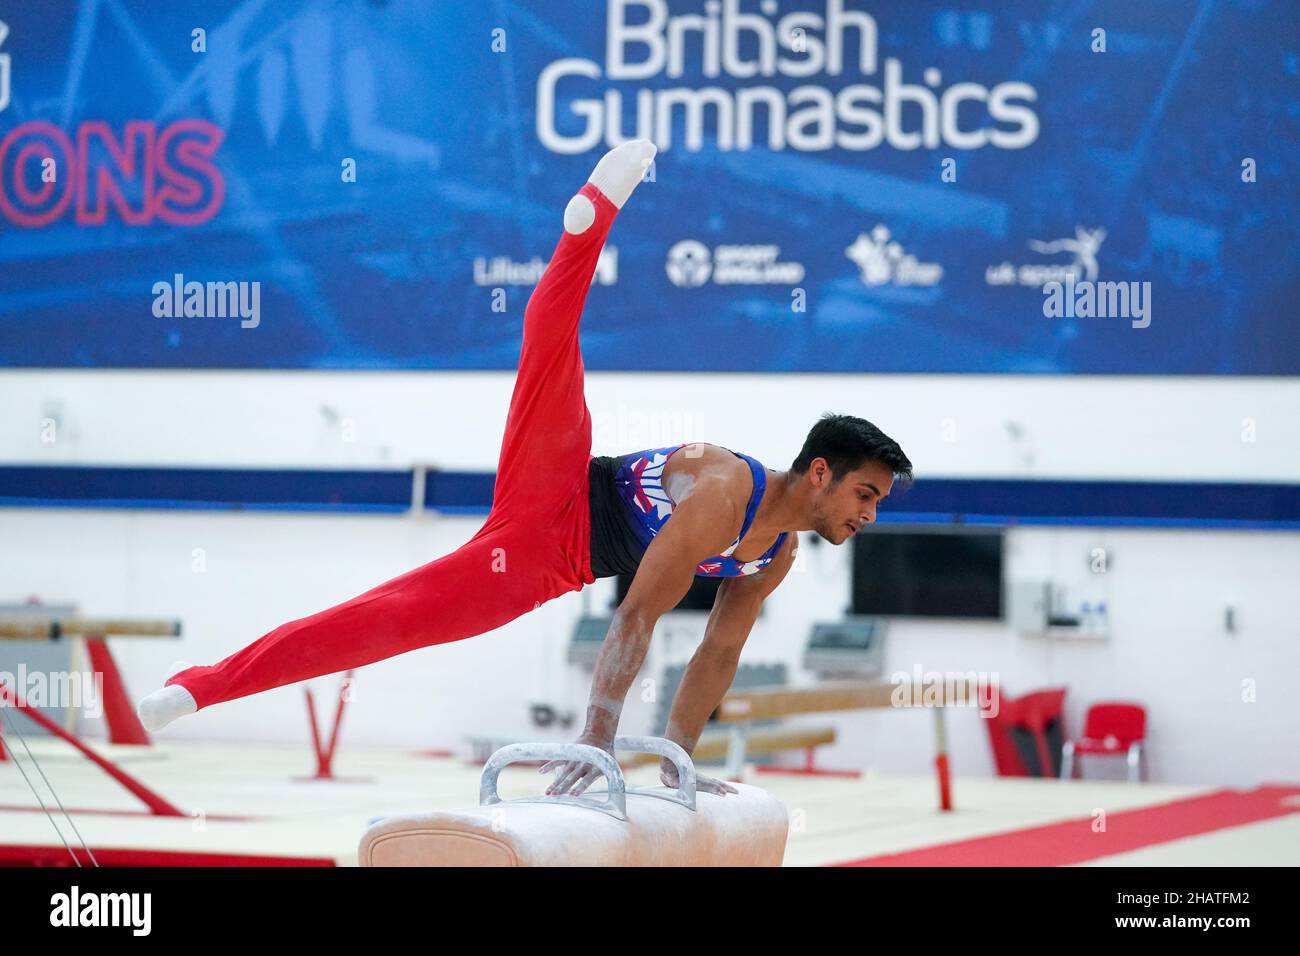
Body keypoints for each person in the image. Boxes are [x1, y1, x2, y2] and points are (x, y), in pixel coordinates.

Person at [136, 139, 913, 799]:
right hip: (558, 493)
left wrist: (678, 760)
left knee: (386, 622)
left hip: (547, 563)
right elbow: (637, 615)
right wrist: (598, 738)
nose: (869, 514)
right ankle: (589, 221)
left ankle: (200, 685)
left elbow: (718, 653)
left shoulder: (774, 555)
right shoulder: (724, 494)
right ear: (819, 472)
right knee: (549, 352)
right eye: (865, 494)